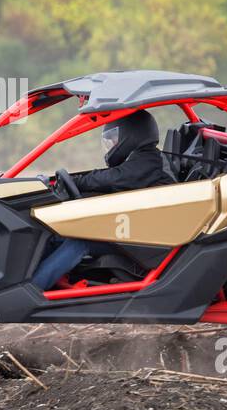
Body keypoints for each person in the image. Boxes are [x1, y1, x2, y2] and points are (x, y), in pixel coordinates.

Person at [30, 110, 174, 290]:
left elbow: (112, 179)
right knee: (59, 234)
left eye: (115, 138)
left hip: (151, 241)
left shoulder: (149, 160)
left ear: (132, 135)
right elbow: (112, 179)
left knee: (81, 240)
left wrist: (76, 182)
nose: (112, 143)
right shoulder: (141, 159)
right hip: (139, 230)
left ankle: (34, 289)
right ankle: (33, 280)